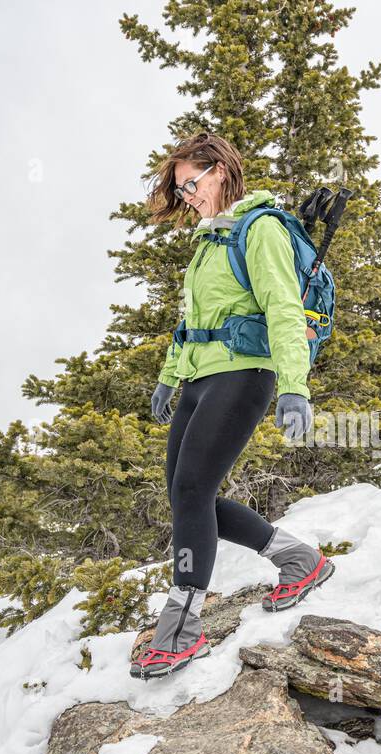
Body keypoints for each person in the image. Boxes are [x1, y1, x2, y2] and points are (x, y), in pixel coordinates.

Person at [133, 131, 336, 680]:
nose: (188, 194)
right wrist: (168, 378)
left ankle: (183, 624)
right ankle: (299, 559)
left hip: (245, 374)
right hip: (200, 379)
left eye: (192, 182)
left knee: (193, 490)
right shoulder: (208, 242)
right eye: (180, 189)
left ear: (221, 170)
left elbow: (283, 309)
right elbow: (191, 322)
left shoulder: (261, 227)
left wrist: (295, 384)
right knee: (187, 495)